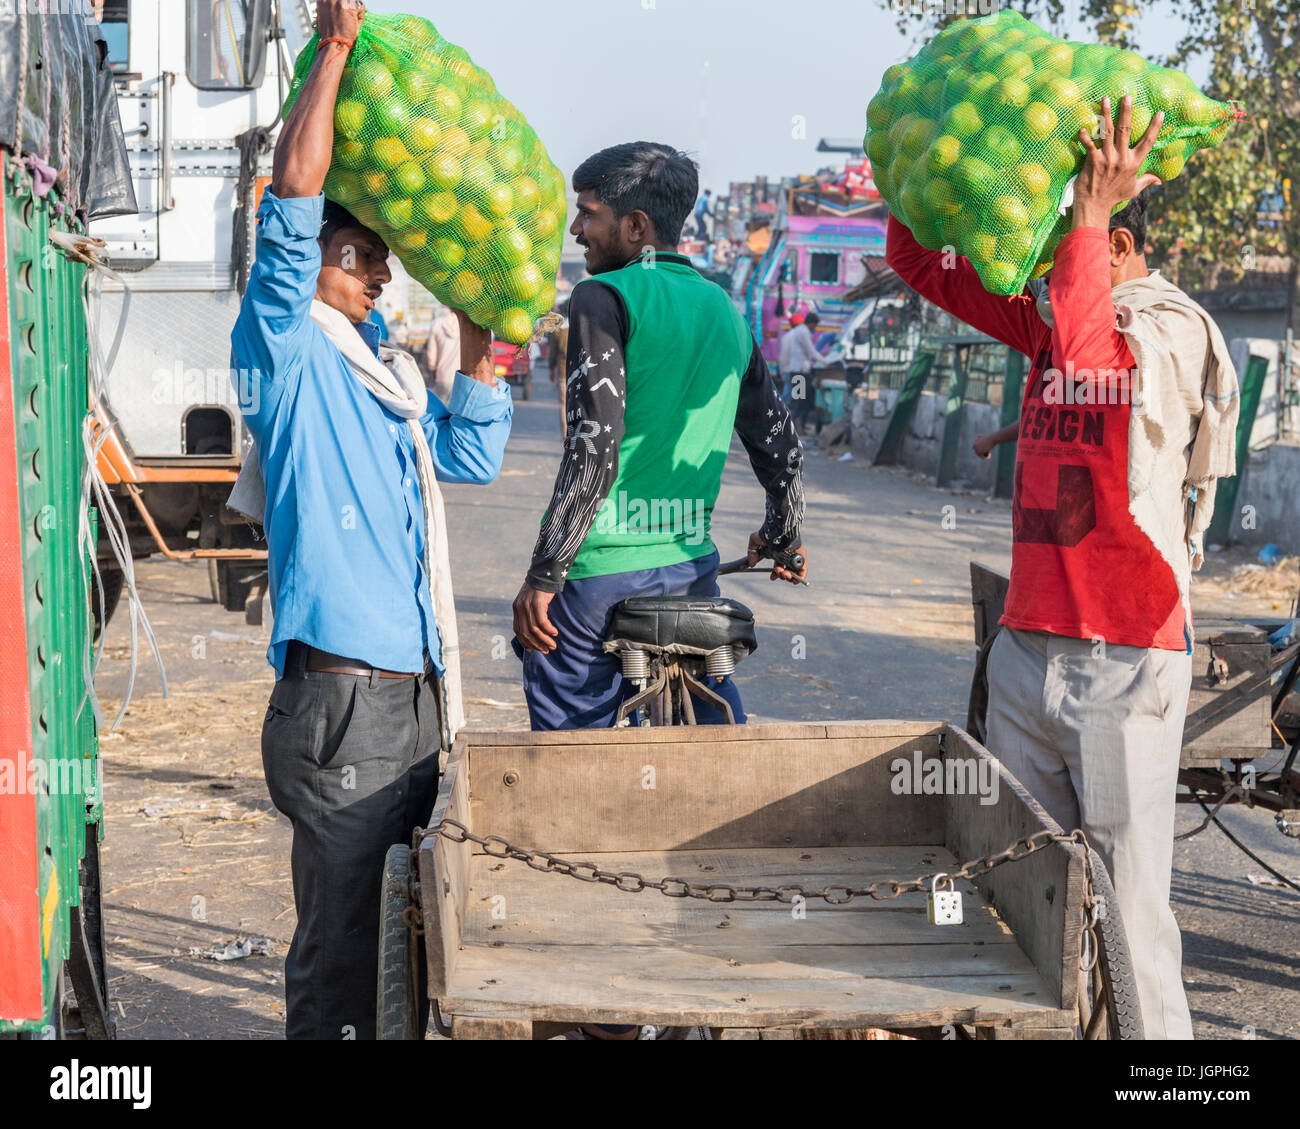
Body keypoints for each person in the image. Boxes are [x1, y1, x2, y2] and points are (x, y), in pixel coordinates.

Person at [885, 96, 1239, 1040]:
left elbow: (1095, 361)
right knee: (1022, 893)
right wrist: (922, 167)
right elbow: (919, 265)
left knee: (1129, 909)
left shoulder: (1172, 329)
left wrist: (1085, 213)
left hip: (1122, 659)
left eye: (1062, 248)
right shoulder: (1054, 326)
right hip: (1030, 647)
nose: (1041, 274)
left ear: (1114, 243)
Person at [226, 0, 513, 1041]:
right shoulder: (290, 350)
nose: (380, 271)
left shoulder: (385, 372)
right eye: (359, 253)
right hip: (341, 703)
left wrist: (483, 303)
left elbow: (474, 452)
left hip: (414, 696)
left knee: (404, 938)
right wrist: (337, 49)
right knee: (343, 953)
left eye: (382, 258)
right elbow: (292, 199)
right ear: (317, 263)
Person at [513, 141, 808, 727]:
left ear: (635, 225)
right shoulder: (725, 311)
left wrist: (544, 574)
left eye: (588, 213)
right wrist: (783, 533)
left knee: (570, 739)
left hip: (598, 576)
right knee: (712, 738)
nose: (577, 229)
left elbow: (593, 447)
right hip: (691, 569)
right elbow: (780, 445)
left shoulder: (603, 296)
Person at [779, 311, 832, 433]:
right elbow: (811, 352)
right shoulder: (803, 332)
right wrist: (826, 362)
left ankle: (795, 427)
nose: (815, 328)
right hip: (800, 372)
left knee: (799, 401)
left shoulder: (799, 331)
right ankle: (790, 428)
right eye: (815, 325)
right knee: (799, 402)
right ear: (812, 323)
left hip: (797, 371)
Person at [422, 301, 461, 403]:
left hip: (442, 377)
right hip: (462, 379)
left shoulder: (436, 324)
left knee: (441, 413)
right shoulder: (466, 326)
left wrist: (433, 370)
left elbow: (431, 356)